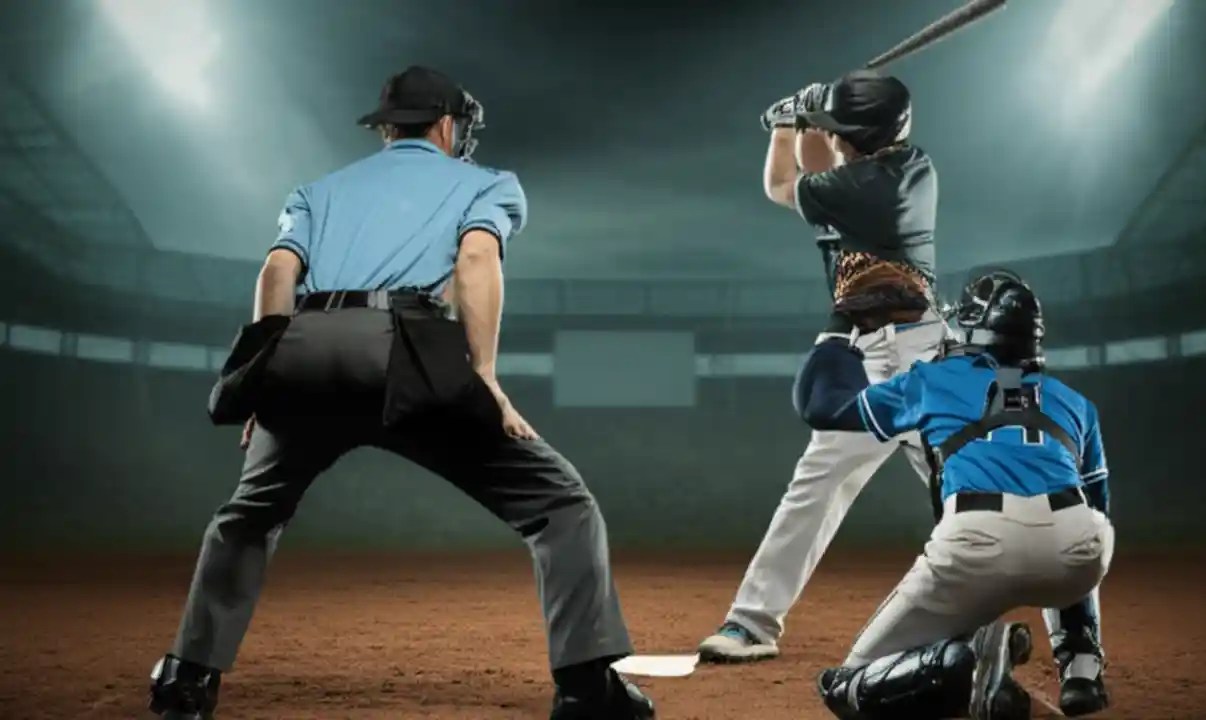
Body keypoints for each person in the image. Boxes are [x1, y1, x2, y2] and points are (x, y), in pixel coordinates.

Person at [146, 65, 655, 720]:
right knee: (560, 504)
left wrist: (261, 383)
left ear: (386, 127)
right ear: (448, 126)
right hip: (406, 350)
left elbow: (277, 271)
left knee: (248, 514)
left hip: (303, 349)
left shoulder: (317, 190)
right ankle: (588, 690)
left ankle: (186, 679)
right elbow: (476, 261)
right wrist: (486, 376)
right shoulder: (488, 183)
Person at [699, 69, 947, 663]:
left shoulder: (869, 188)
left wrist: (786, 122)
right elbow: (821, 173)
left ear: (855, 140)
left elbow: (785, 183)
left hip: (916, 358)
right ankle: (751, 621)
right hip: (872, 352)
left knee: (968, 489)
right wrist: (813, 117)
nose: (831, 138)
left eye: (838, 131)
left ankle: (1039, 628)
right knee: (817, 484)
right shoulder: (905, 164)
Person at [792, 270, 1115, 720]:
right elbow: (1098, 506)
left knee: (849, 685)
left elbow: (820, 405)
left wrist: (838, 331)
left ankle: (966, 664)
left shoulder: (934, 380)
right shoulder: (1075, 402)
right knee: (1074, 511)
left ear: (971, 328)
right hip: (1080, 553)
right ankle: (1081, 669)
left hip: (977, 546)